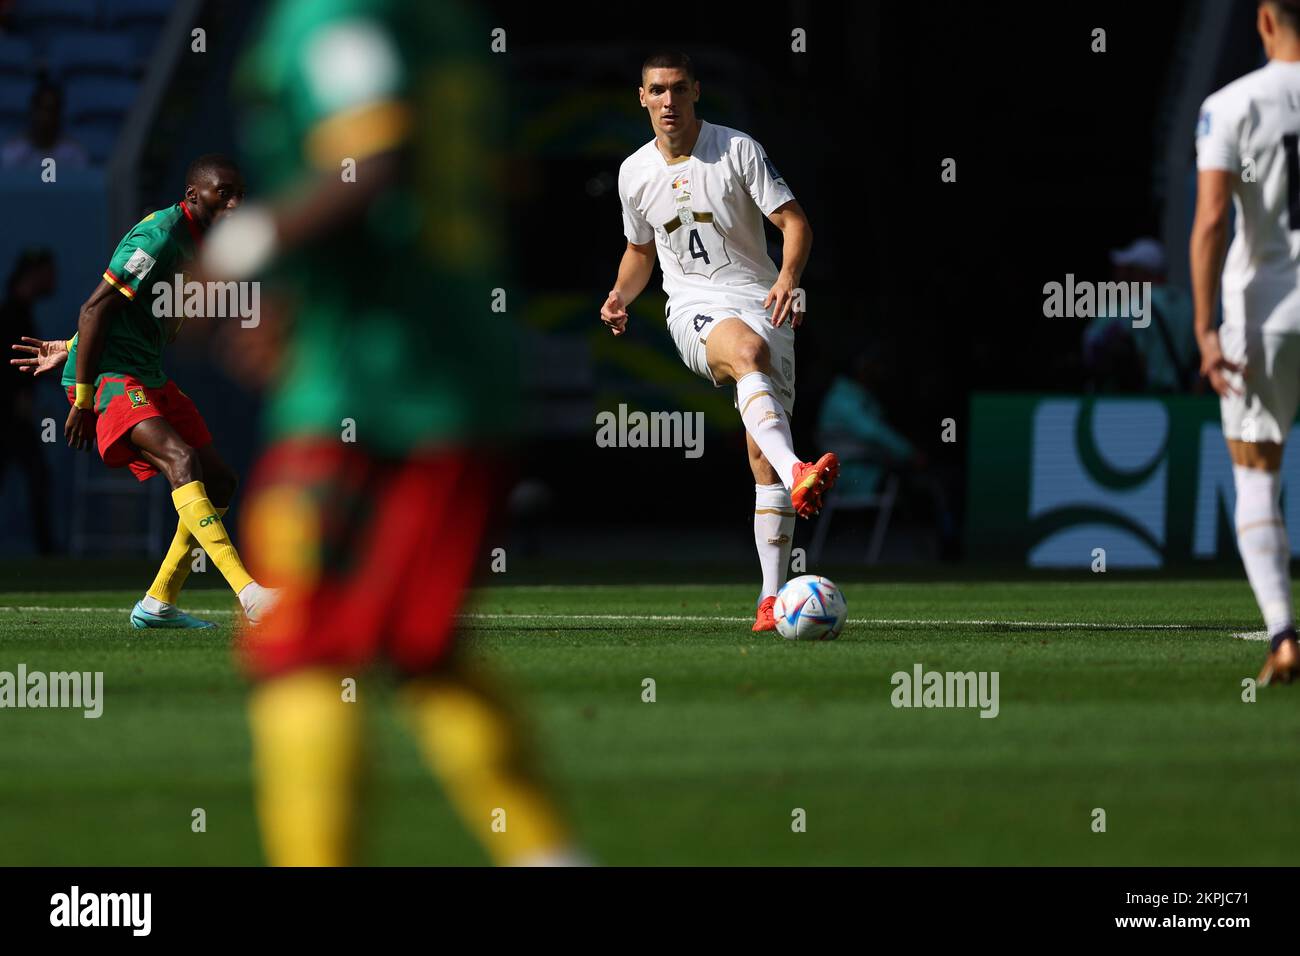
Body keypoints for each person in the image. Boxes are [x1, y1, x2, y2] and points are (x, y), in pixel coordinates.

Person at [200, 0, 583, 866]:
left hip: (372, 396)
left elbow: (370, 164)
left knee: (300, 647)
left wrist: (237, 253)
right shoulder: (450, 27)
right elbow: (500, 185)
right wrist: (318, 290)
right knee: (423, 648)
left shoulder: (335, 16)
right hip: (464, 383)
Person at [602, 51, 839, 633]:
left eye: (678, 89)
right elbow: (640, 251)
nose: (667, 101)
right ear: (642, 98)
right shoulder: (633, 173)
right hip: (694, 308)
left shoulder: (737, 149)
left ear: (696, 93)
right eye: (656, 90)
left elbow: (795, 222)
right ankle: (798, 469)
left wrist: (787, 278)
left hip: (765, 302)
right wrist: (619, 296)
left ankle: (768, 597)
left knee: (759, 457)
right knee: (745, 354)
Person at [12, 155, 275, 627]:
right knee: (181, 459)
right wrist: (84, 396)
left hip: (145, 372)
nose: (235, 204)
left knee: (219, 480)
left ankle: (157, 604)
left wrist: (65, 347)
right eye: (224, 193)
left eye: (240, 194)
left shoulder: (208, 243)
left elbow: (130, 314)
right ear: (193, 196)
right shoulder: (158, 239)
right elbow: (95, 309)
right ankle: (251, 595)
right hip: (110, 377)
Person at [1193, 0, 1300, 684]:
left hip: (1264, 311)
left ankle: (1285, 637)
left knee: (1256, 472)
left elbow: (1208, 222)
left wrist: (1203, 329)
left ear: (1264, 19)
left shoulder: (1233, 103)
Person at [0, 248, 55, 554]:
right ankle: (47, 548)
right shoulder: (13, 314)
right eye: (48, 273)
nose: (52, 280)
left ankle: (47, 548)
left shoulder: (20, 312)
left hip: (15, 416)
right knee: (36, 474)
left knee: (37, 475)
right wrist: (21, 400)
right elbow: (14, 365)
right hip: (9, 417)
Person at [1, 80, 89, 170]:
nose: (47, 117)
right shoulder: (13, 152)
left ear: (59, 114)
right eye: (42, 110)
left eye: (52, 110)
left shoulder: (74, 154)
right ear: (32, 112)